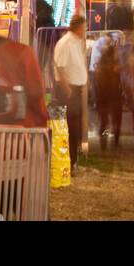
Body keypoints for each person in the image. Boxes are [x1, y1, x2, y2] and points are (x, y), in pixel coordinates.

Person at [54, 15, 89, 168]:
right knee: (69, 127)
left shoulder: (76, 42)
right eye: (84, 27)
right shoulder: (66, 43)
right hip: (68, 90)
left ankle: (73, 160)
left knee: (75, 127)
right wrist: (67, 89)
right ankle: (68, 161)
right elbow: (60, 67)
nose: (85, 30)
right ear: (79, 27)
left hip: (76, 88)